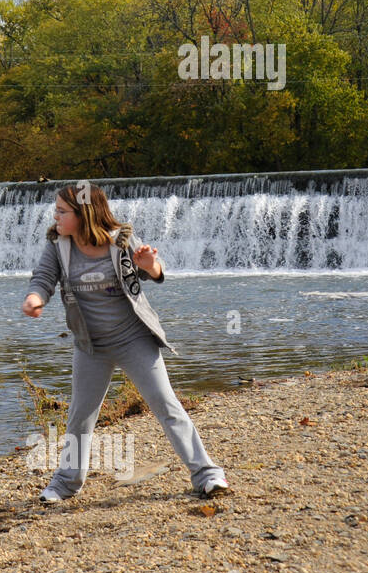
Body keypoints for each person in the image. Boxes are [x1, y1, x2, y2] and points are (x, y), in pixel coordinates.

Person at [20, 183, 230, 503]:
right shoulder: (58, 245)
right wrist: (34, 299)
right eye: (57, 210)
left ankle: (207, 474)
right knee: (80, 417)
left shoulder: (121, 239)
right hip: (90, 346)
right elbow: (43, 279)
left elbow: (154, 272)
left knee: (166, 406)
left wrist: (149, 265)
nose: (55, 216)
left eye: (62, 211)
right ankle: (65, 484)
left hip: (133, 338)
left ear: (84, 213)